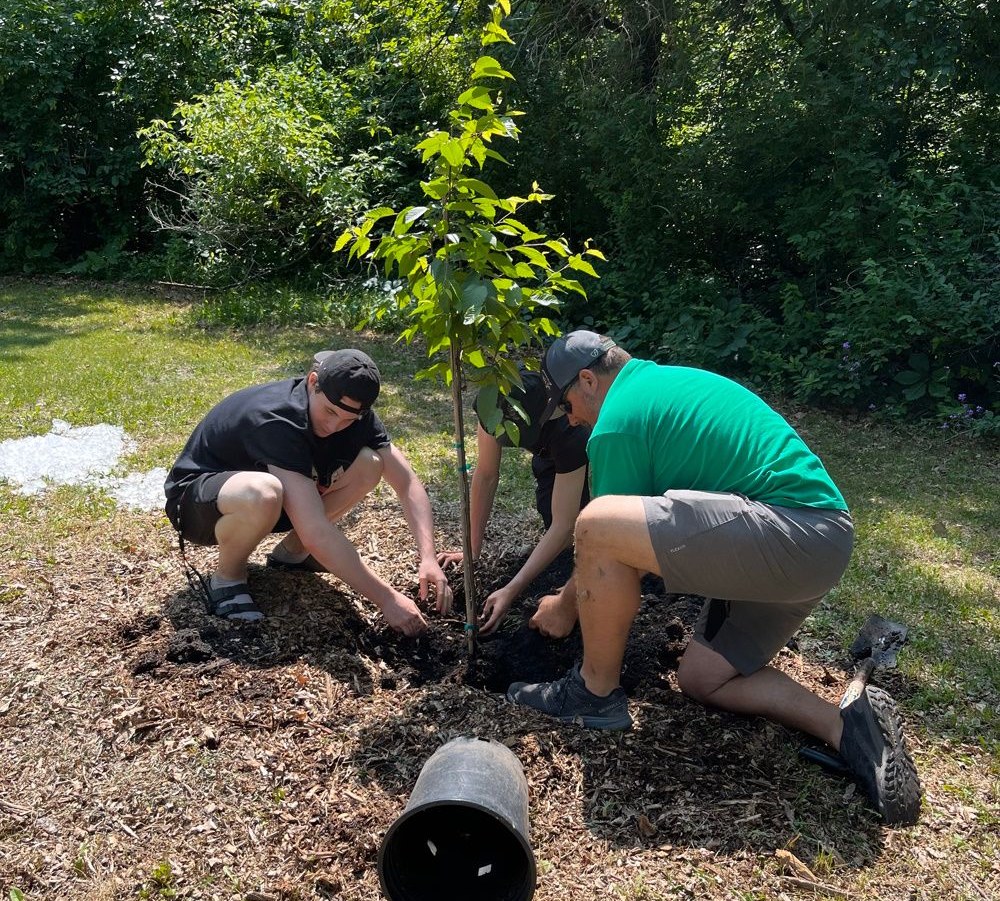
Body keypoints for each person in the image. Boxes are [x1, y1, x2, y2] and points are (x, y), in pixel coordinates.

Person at [505, 330, 921, 826]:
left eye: (566, 402)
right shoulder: (662, 385)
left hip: (791, 531)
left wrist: (564, 606)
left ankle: (593, 692)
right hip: (814, 546)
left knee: (593, 522)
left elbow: (605, 541)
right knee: (704, 679)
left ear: (589, 380)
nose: (568, 418)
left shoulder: (616, 422)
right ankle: (846, 728)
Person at [164, 348, 453, 633]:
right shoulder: (278, 419)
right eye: (329, 411)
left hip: (269, 501)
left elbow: (408, 483)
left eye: (347, 420)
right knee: (262, 492)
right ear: (312, 382)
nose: (334, 425)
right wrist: (387, 600)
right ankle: (227, 579)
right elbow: (316, 532)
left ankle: (291, 554)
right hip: (198, 505)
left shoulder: (355, 414)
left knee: (370, 464)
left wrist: (428, 556)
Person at [437, 371, 590, 633]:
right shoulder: (495, 404)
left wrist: (511, 589)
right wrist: (472, 551)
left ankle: (580, 585)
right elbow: (486, 475)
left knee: (576, 526)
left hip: (583, 459)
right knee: (549, 515)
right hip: (547, 455)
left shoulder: (572, 431)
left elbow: (564, 524)